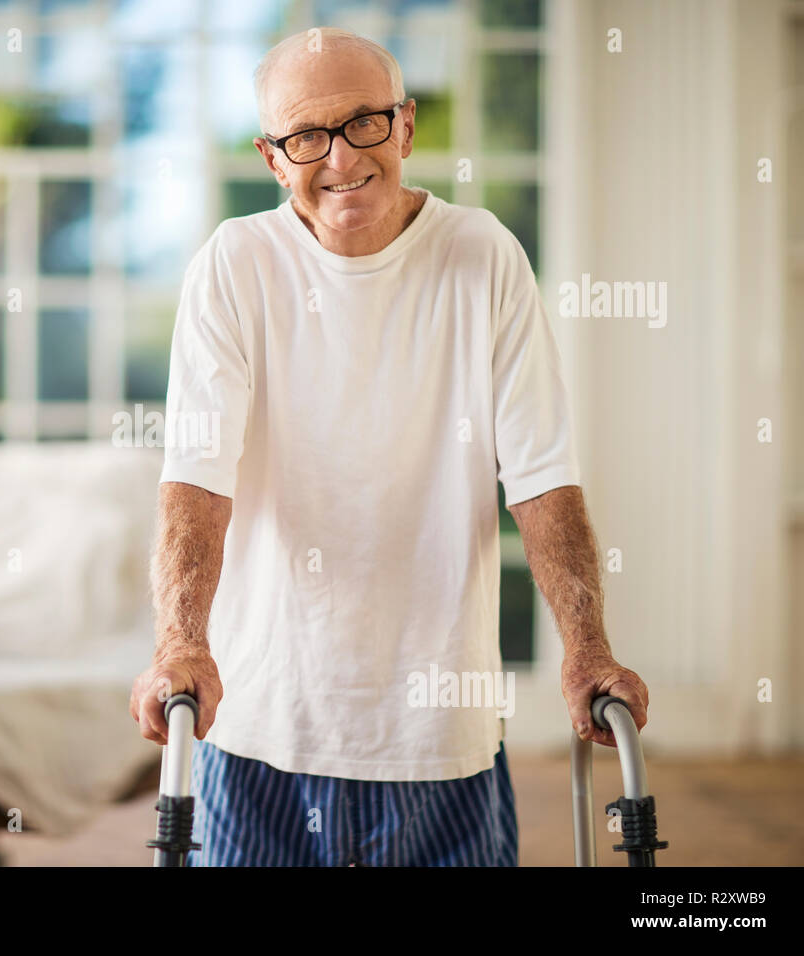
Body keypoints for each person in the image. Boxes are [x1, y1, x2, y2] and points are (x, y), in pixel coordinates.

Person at [129, 27, 650, 866]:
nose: (340, 157)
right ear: (273, 157)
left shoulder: (484, 257)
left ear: (404, 127)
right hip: (264, 726)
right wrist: (180, 640)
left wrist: (587, 648)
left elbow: (542, 477)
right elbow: (197, 477)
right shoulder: (235, 264)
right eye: (307, 136)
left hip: (439, 733)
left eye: (363, 123)